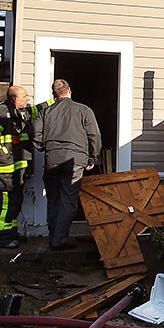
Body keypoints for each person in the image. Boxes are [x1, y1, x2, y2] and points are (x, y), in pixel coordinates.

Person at [33, 79, 101, 251]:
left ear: (53, 93)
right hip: (76, 159)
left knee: (53, 198)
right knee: (68, 200)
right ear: (69, 90)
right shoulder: (84, 110)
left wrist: (43, 147)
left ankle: (53, 237)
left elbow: (35, 132)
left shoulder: (45, 111)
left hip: (52, 158)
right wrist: (93, 157)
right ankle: (59, 240)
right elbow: (94, 135)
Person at [0, 85, 37, 249]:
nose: (28, 99)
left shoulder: (18, 113)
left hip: (16, 171)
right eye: (25, 96)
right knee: (5, 204)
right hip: (4, 171)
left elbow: (37, 109)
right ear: (14, 98)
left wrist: (56, 99)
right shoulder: (2, 112)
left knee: (15, 202)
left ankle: (10, 232)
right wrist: (5, 157)